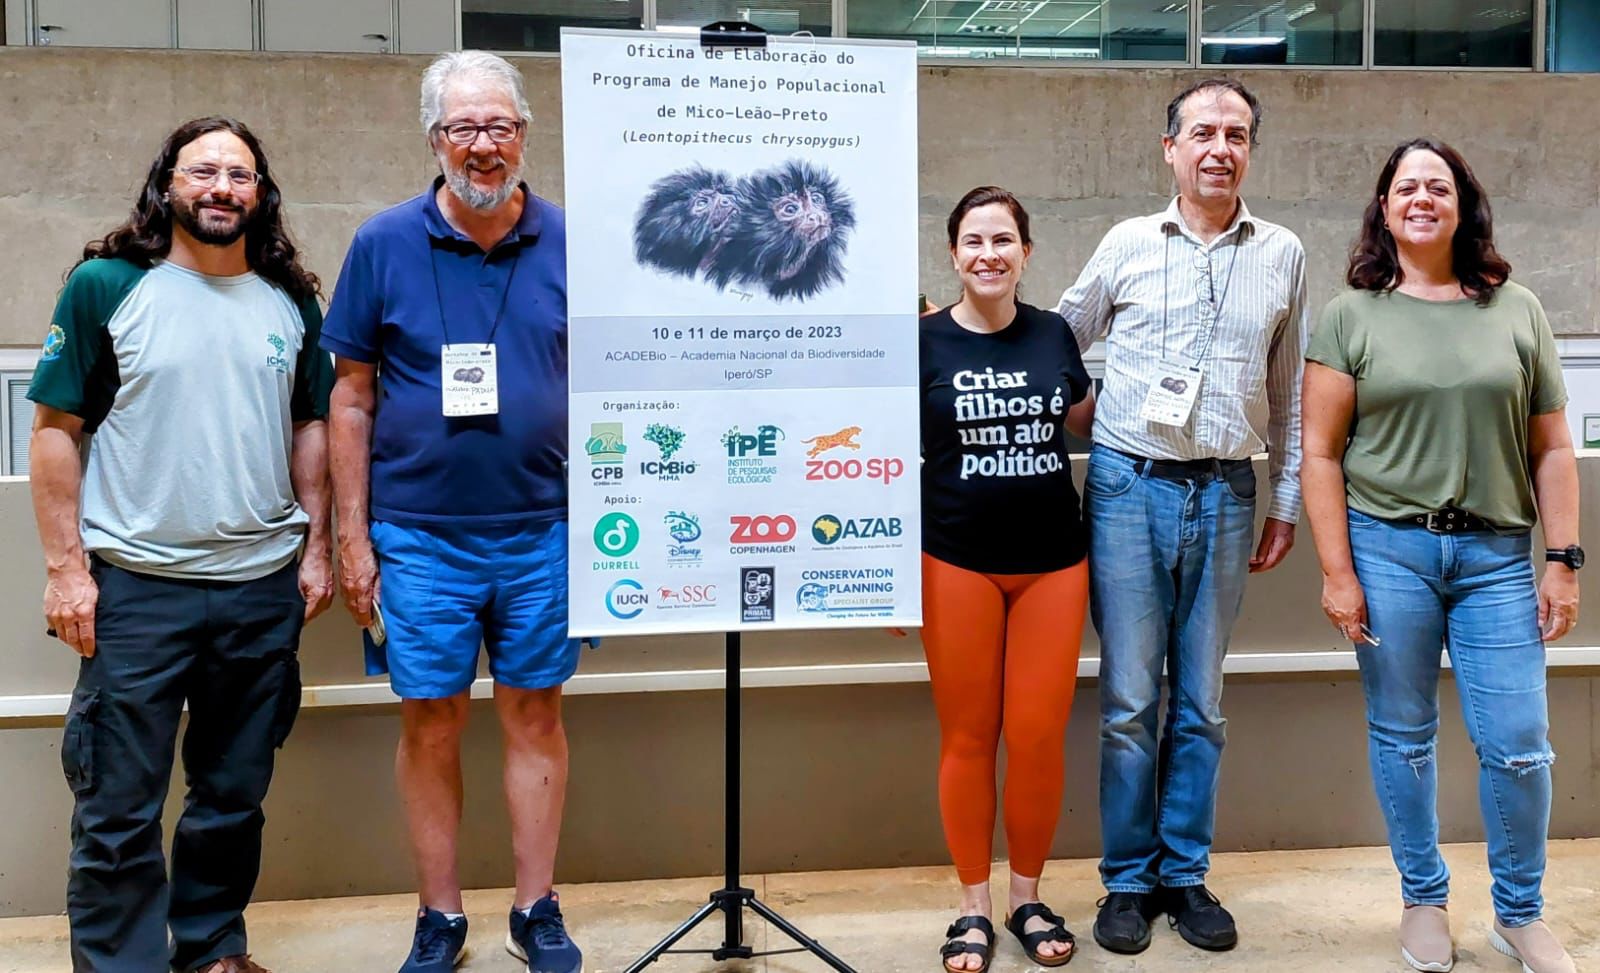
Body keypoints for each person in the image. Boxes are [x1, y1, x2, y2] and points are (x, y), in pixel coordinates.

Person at [28, 116, 334, 973]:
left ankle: (210, 949)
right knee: (118, 807)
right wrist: (66, 572)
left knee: (232, 796)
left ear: (261, 195)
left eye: (240, 175)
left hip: (257, 588)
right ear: (169, 185)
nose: (221, 188)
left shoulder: (290, 299)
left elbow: (311, 424)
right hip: (137, 591)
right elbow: (55, 433)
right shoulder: (105, 286)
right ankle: (123, 962)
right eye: (203, 172)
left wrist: (315, 548)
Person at [321, 51, 582, 973]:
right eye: (464, 128)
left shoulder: (570, 241)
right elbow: (349, 398)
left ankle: (535, 906)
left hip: (547, 527)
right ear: (434, 139)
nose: (483, 146)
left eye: (500, 126)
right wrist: (352, 539)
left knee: (536, 715)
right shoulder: (381, 243)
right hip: (416, 535)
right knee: (430, 720)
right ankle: (440, 915)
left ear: (524, 134)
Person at [1302, 137, 1580, 973]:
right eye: (1405, 187)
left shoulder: (1517, 308)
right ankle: (1422, 897)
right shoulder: (1351, 314)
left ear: (1464, 204)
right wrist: (1339, 571)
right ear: (1383, 208)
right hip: (1390, 553)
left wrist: (1562, 558)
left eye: (1438, 185)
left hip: (1497, 555)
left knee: (1521, 744)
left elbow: (1554, 449)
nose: (1421, 198)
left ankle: (1519, 912)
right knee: (1405, 737)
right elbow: (1319, 452)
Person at [1054, 77, 1309, 955]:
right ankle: (1125, 881)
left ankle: (1183, 874)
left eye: (1236, 134)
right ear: (1170, 148)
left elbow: (1290, 394)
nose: (1219, 148)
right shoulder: (1127, 241)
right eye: (1202, 132)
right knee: (1130, 698)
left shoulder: (1281, 251)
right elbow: (1058, 342)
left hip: (1229, 493)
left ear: (1249, 150)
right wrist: (1078, 409)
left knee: (1200, 701)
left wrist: (1283, 502)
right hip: (1127, 486)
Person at [918, 187, 1095, 971]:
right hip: (953, 560)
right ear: (953, 254)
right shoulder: (921, 343)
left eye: (1004, 239)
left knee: (1034, 737)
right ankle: (972, 904)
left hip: (1054, 564)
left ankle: (1025, 894)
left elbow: (1083, 417)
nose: (988, 253)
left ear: (1027, 252)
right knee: (968, 736)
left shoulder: (1055, 333)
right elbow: (881, 460)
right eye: (973, 240)